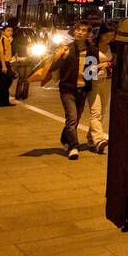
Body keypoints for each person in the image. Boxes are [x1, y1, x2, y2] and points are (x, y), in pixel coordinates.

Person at [40, 22, 95, 159]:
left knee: (76, 119)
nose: (80, 32)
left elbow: (91, 74)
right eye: (78, 29)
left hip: (83, 89)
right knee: (72, 119)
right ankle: (73, 147)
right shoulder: (67, 49)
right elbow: (53, 67)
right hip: (67, 88)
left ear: (88, 34)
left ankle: (65, 138)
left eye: (83, 30)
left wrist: (94, 70)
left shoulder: (92, 50)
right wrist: (62, 57)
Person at [85, 22, 117, 154]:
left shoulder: (113, 47)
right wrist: (97, 66)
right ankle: (99, 140)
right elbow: (87, 71)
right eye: (107, 35)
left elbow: (117, 61)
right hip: (94, 82)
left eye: (112, 35)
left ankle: (90, 138)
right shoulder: (93, 48)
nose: (109, 38)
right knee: (95, 111)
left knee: (102, 111)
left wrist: (108, 64)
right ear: (101, 34)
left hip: (107, 81)